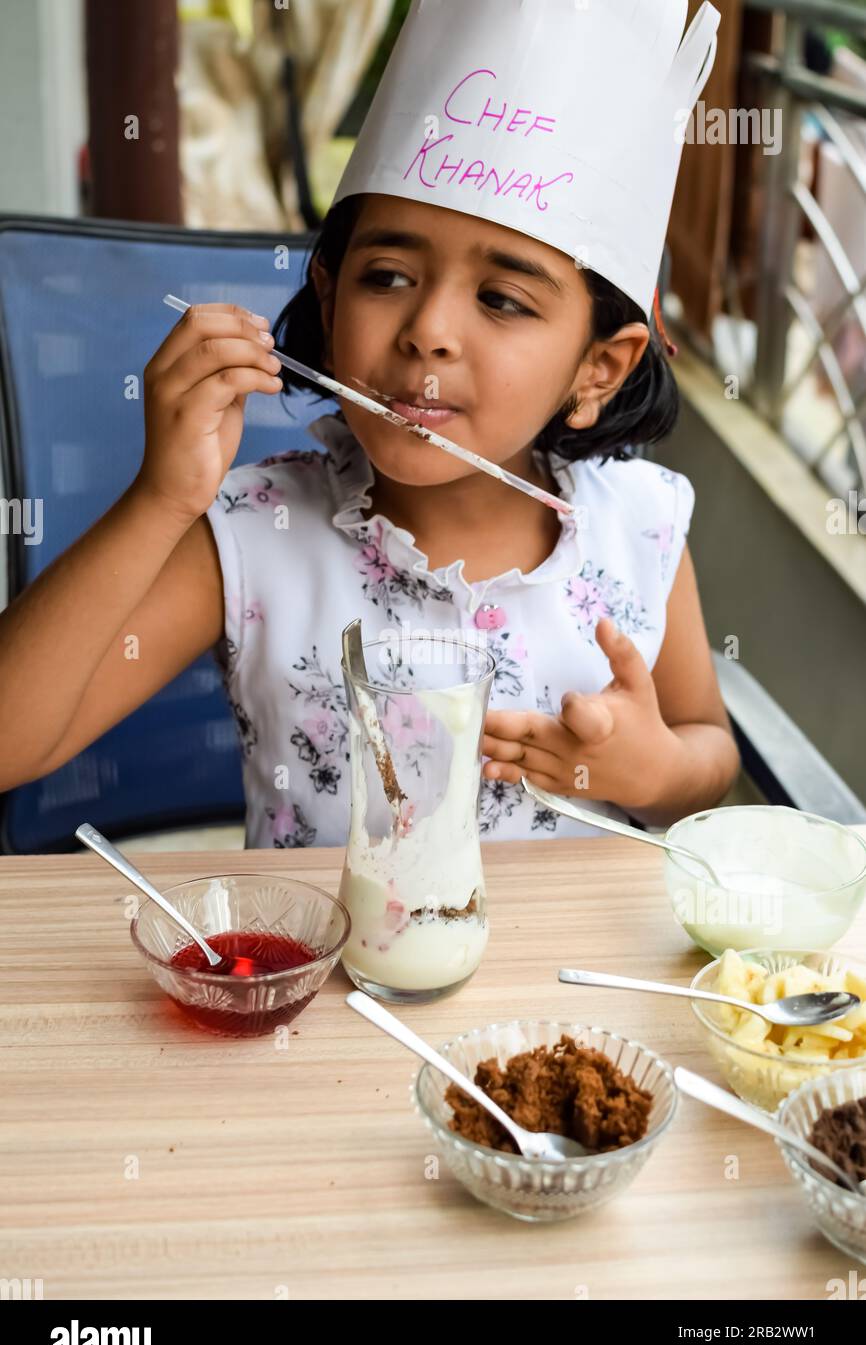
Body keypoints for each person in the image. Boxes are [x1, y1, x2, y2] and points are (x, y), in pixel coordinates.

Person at [0, 0, 739, 848]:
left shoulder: (639, 526)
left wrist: (657, 774)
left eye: (502, 299)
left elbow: (707, 756)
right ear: (327, 293)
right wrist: (161, 498)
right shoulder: (252, 534)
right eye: (387, 275)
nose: (427, 329)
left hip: (566, 978)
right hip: (320, 977)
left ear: (596, 369)